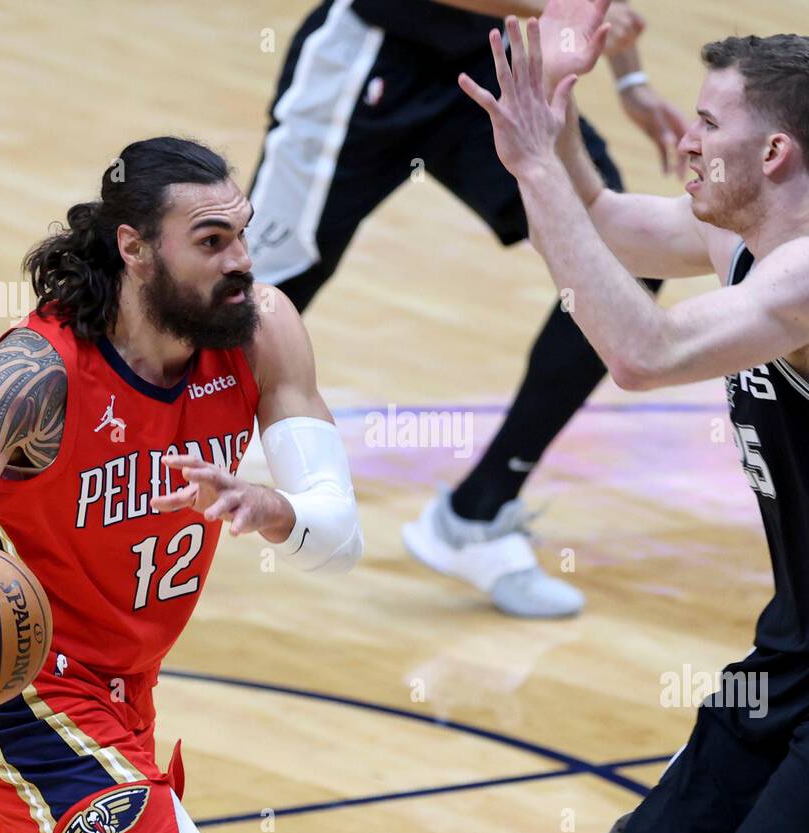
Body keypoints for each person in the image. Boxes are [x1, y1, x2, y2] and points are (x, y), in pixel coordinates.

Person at [460, 1, 809, 833]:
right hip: (795, 652)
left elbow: (645, 352)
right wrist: (556, 106)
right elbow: (594, 222)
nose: (687, 140)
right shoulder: (737, 242)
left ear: (776, 152)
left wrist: (534, 163)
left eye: (709, 124)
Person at [0, 137, 363, 833]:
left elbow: (341, 540)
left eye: (242, 234)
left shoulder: (261, 331)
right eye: (211, 241)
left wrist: (275, 510)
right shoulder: (33, 375)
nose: (241, 260)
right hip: (14, 688)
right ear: (135, 247)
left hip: (123, 700)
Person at [248, 0, 686, 616]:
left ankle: (474, 517)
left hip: (493, 66)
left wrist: (630, 78)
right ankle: (114, 475)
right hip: (374, 56)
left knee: (619, 267)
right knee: (244, 304)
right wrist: (560, 14)